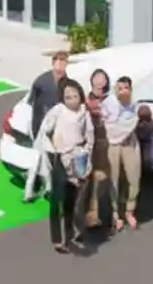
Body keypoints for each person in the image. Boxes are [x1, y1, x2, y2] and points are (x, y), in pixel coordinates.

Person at [36, 79, 93, 254]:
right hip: (60, 158)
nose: (71, 99)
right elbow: (44, 131)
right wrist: (51, 149)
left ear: (80, 96)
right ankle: (57, 238)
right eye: (67, 96)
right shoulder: (58, 111)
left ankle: (69, 235)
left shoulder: (84, 113)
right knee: (57, 199)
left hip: (77, 159)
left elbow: (90, 137)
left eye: (74, 96)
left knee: (71, 200)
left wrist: (86, 154)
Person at [23, 51, 70, 203]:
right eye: (59, 62)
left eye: (64, 62)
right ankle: (29, 191)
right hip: (40, 126)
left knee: (49, 160)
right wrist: (33, 126)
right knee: (37, 158)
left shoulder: (67, 83)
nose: (61, 65)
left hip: (55, 128)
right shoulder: (42, 81)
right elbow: (31, 103)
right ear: (53, 63)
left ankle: (49, 188)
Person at [102, 76, 141, 230]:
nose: (123, 91)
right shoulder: (108, 103)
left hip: (129, 143)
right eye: (120, 88)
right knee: (113, 178)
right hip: (112, 145)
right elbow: (104, 123)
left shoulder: (135, 104)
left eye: (126, 88)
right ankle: (115, 213)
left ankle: (130, 210)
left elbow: (134, 120)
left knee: (134, 178)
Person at [79, 69, 115, 234]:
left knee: (105, 181)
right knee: (89, 181)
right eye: (97, 81)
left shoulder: (110, 101)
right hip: (90, 145)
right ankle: (87, 216)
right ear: (92, 82)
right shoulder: (85, 101)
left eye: (103, 81)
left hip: (106, 144)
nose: (100, 84)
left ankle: (107, 216)